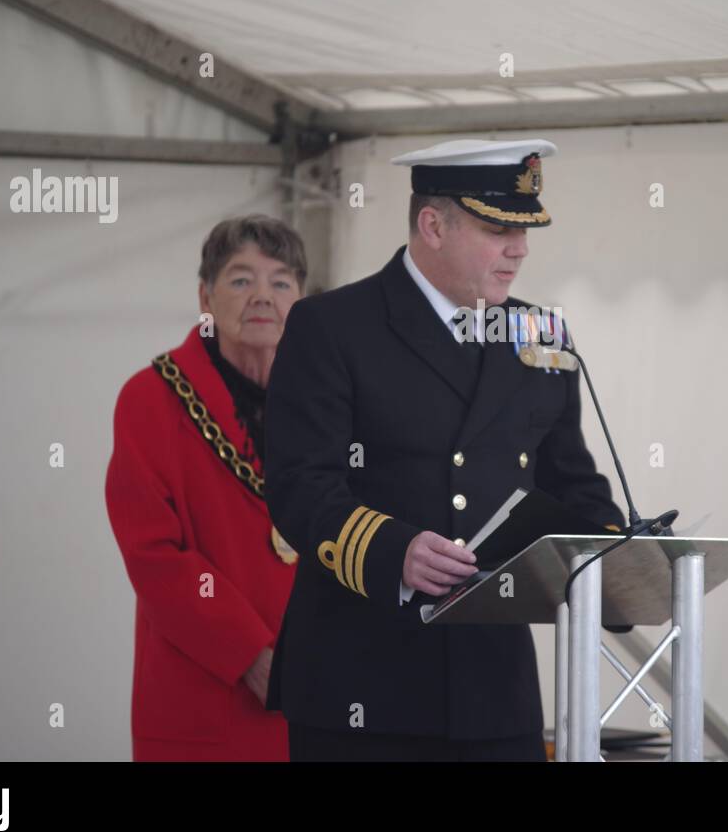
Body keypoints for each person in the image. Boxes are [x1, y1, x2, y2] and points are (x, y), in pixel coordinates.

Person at [264, 138, 624, 761]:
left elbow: (571, 484)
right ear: (432, 224)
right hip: (363, 685)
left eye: (526, 231)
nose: (519, 249)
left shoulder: (539, 331)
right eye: (496, 229)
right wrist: (391, 549)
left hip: (494, 692)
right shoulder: (333, 326)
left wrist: (630, 561)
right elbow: (301, 486)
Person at [105, 214, 306, 760]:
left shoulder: (326, 402)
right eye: (241, 280)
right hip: (202, 704)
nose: (263, 296)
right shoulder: (149, 399)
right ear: (206, 297)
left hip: (316, 708)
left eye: (281, 282)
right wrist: (249, 654)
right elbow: (156, 556)